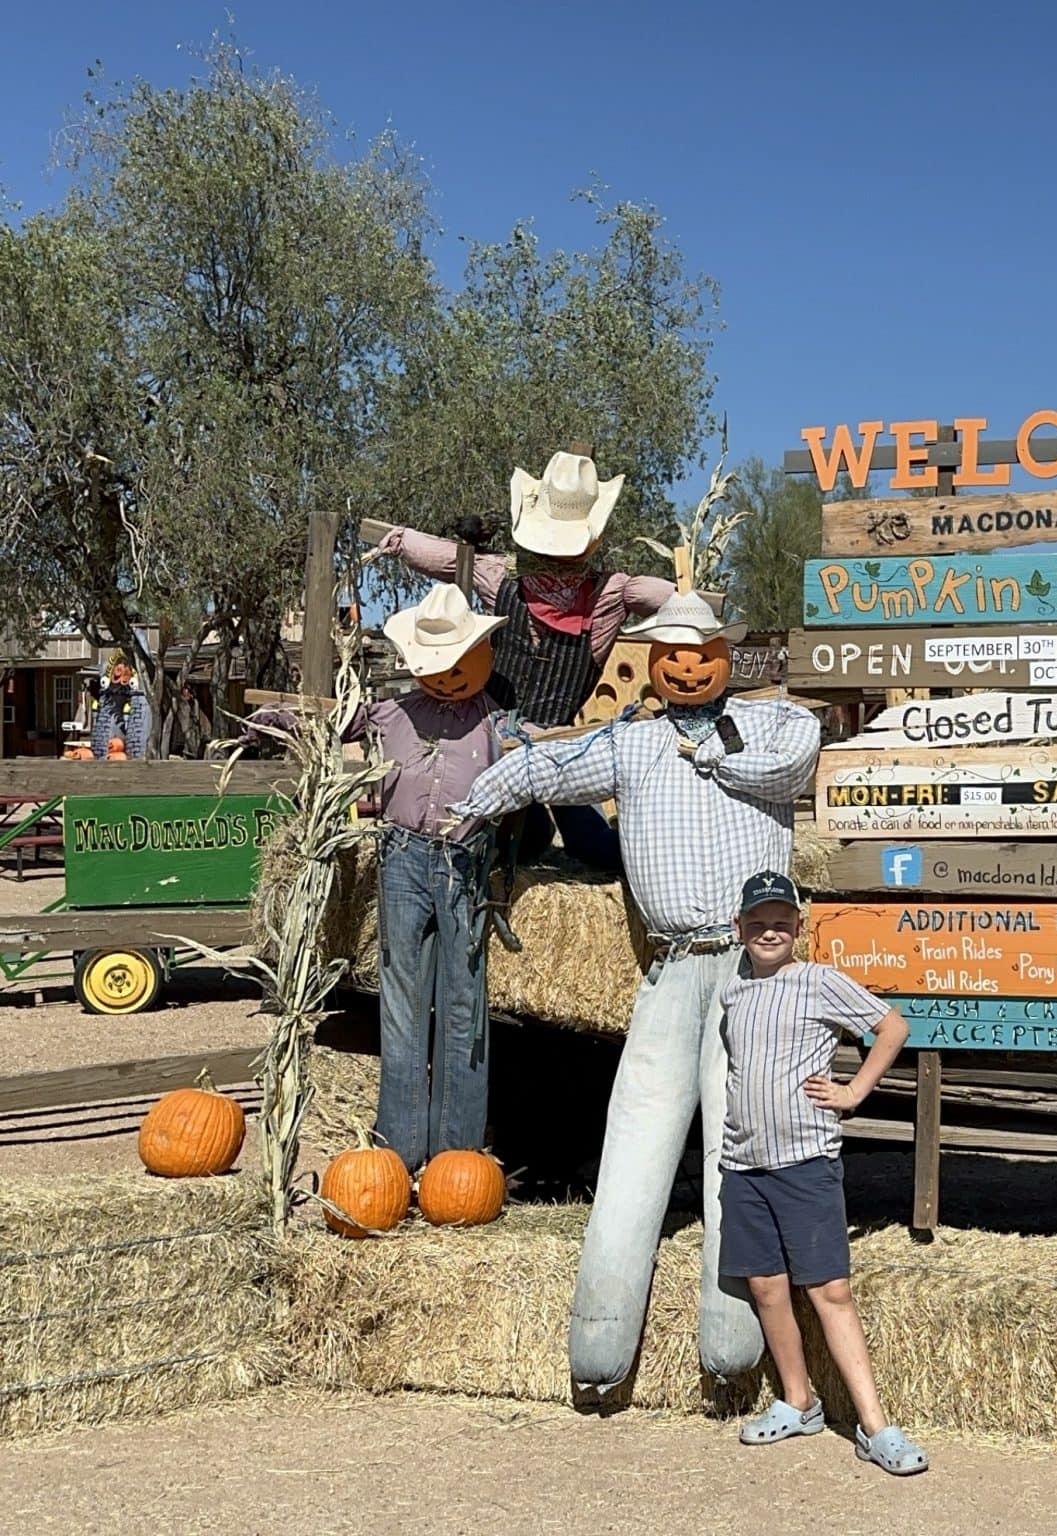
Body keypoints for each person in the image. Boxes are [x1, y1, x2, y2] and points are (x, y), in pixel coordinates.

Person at [451, 584, 821, 1395]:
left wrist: (711, 754)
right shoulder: (633, 744)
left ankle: (732, 1348)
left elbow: (795, 759)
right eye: (672, 655)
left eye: (701, 654)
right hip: (671, 965)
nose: (687, 667)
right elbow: (550, 766)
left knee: (746, 1151)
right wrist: (475, 802)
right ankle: (600, 1349)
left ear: (725, 656)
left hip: (754, 971)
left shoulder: (773, 722)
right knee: (635, 1148)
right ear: (652, 661)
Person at [250, 584, 507, 1169]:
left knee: (464, 1001)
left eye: (455, 663)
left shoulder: (500, 724)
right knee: (402, 999)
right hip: (403, 857)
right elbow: (323, 722)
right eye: (433, 665)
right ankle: (400, 1147)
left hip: (468, 862)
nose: (444, 676)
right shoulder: (389, 714)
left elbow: (552, 760)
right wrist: (270, 721)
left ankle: (457, 1154)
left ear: (481, 655)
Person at [370, 449, 677, 870]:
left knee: (593, 846)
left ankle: (640, 861)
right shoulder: (498, 575)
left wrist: (691, 599)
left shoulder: (610, 593)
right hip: (490, 744)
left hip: (555, 748)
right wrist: (400, 541)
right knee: (503, 837)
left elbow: (673, 599)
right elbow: (446, 558)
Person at [716, 870, 927, 1476]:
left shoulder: (818, 981)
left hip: (805, 1162)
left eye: (781, 921)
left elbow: (892, 1027)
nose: (769, 931)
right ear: (740, 929)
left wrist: (854, 1091)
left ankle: (876, 1427)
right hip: (744, 1164)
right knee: (765, 1287)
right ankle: (797, 1401)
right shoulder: (732, 993)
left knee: (829, 1291)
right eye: (757, 922)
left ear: (798, 929)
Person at [89, 651, 151, 760]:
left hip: (128, 747)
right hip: (113, 747)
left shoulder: (139, 695)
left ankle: (135, 750)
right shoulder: (107, 695)